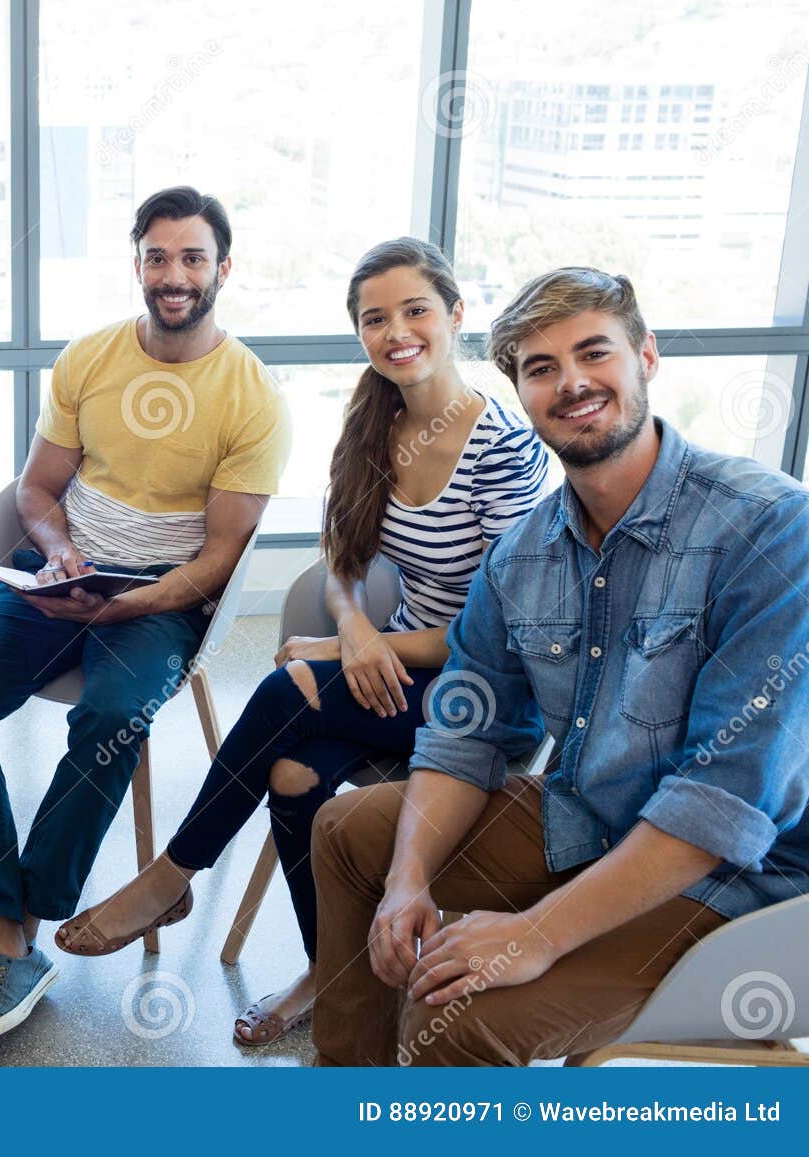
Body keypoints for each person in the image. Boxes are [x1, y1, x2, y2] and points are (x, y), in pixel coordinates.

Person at [55, 238, 550, 1047]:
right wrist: (353, 629)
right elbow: (345, 565)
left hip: (490, 692)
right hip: (396, 664)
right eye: (374, 318)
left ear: (456, 315)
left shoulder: (502, 449)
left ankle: (170, 876)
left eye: (416, 310)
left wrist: (335, 653)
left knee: (286, 689)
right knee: (288, 771)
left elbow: (509, 635)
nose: (397, 332)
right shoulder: (375, 420)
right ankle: (333, 972)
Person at [310, 266, 809, 1066]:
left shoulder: (771, 527)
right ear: (520, 390)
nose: (571, 383)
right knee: (347, 831)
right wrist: (408, 881)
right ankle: (350, 1098)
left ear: (645, 356)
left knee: (459, 1018)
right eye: (541, 368)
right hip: (595, 820)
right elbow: (462, 736)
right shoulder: (522, 554)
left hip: (747, 887)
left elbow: (723, 804)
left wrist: (535, 934)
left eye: (593, 353)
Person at [0, 186, 293, 1053]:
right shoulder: (90, 358)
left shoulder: (253, 394)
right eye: (158, 257)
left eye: (193, 258)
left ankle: (16, 927)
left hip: (160, 597)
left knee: (113, 716)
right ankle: (6, 936)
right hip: (65, 572)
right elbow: (37, 489)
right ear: (138, 264)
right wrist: (62, 554)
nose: (174, 275)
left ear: (223, 268)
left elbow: (221, 557)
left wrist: (132, 599)